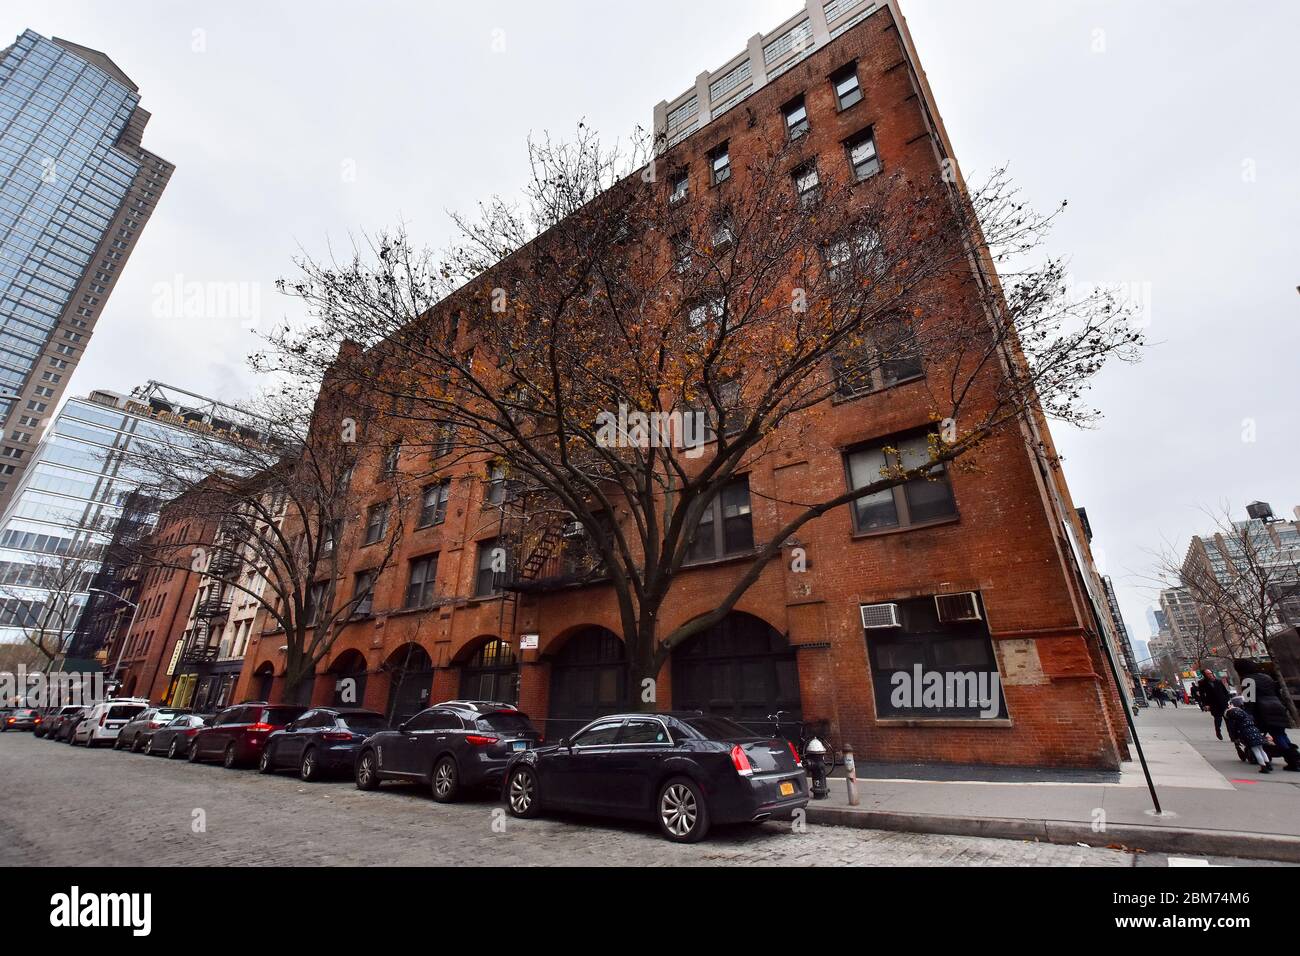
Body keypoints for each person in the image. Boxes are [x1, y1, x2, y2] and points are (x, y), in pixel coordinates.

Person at [1237, 661, 1300, 771]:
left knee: (1277, 735)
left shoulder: (1247, 680)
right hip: (1277, 706)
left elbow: (1249, 700)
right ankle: (1294, 758)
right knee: (1281, 734)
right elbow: (1277, 692)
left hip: (1264, 710)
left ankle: (1294, 760)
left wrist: (1248, 715)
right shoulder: (1265, 677)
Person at [1223, 695, 1273, 772]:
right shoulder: (1247, 715)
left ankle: (1263, 767)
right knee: (1261, 749)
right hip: (1256, 732)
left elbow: (1232, 724)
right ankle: (1268, 764)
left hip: (1248, 734)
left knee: (1256, 750)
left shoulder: (1237, 719)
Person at [1196, 668, 1231, 740]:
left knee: (1228, 721)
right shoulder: (1202, 683)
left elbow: (1225, 691)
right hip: (1213, 704)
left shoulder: (1218, 681)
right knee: (1218, 719)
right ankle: (1218, 731)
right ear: (1205, 675)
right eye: (1208, 674)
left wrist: (1228, 700)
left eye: (1211, 673)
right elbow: (1202, 695)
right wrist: (1205, 704)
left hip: (1223, 703)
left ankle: (1232, 736)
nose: (1210, 675)